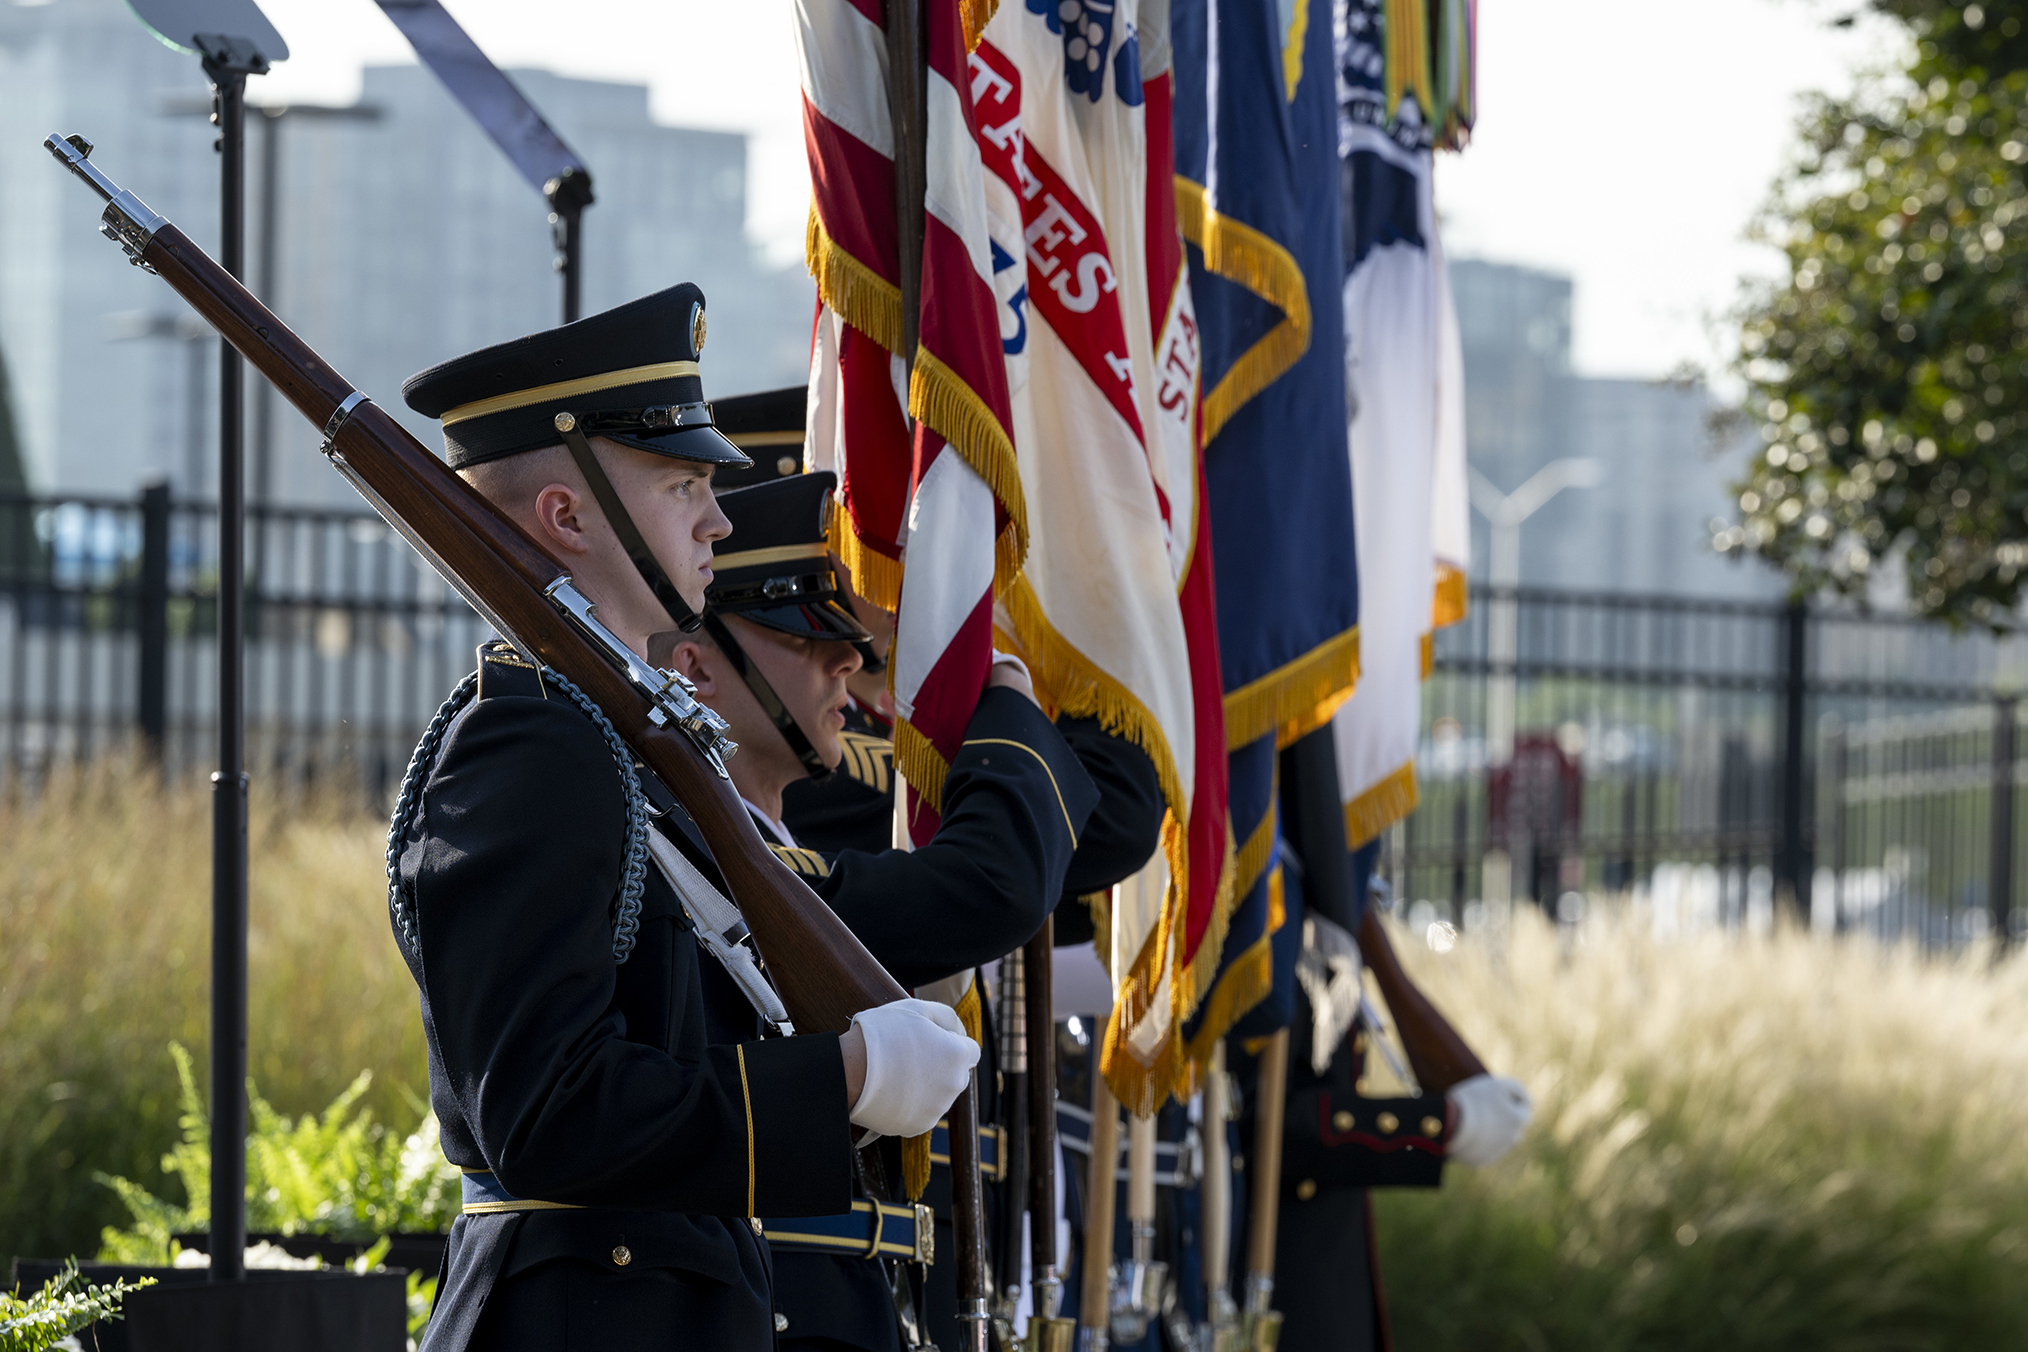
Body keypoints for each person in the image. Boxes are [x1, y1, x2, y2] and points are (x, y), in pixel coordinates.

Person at [390, 284, 981, 1352]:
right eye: (684, 484)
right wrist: (841, 1076)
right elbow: (548, 1107)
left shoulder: (608, 732)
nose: (718, 517)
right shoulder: (532, 741)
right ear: (566, 516)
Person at [658, 468, 1166, 1352]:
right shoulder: (717, 869)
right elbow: (990, 885)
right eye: (805, 635)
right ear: (694, 665)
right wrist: (1000, 677)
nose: (850, 660)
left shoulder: (770, 859)